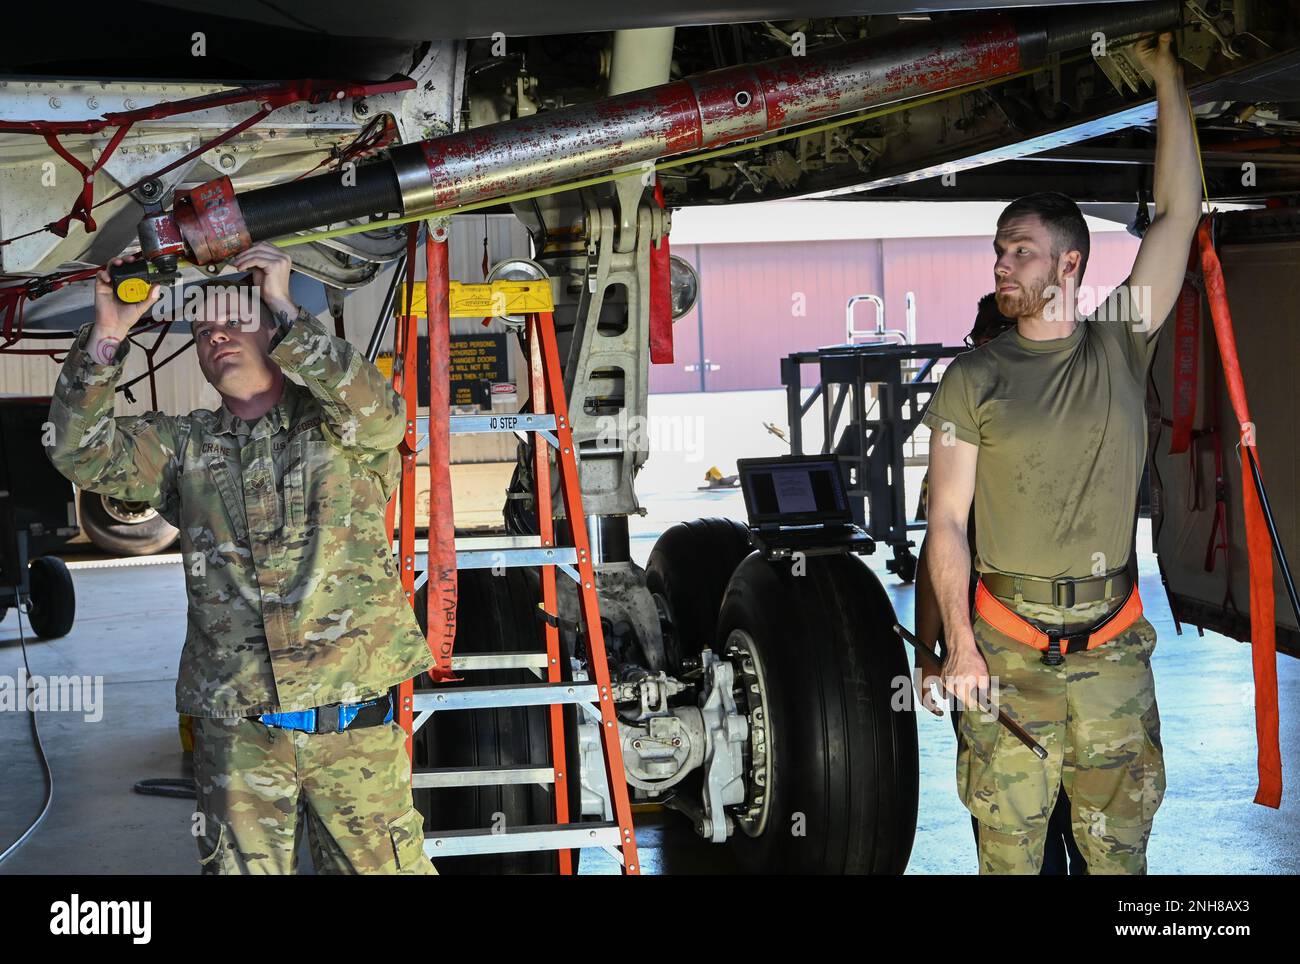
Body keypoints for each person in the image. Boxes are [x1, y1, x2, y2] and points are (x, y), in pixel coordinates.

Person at [45, 242, 437, 874]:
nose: (215, 334)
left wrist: (284, 303)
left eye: (234, 318)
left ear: (274, 332)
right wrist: (107, 336)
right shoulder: (185, 448)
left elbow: (382, 414)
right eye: (201, 332)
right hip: (239, 736)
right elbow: (76, 452)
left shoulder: (342, 429)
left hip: (353, 730)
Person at [919, 32, 1200, 874]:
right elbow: (946, 522)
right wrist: (957, 646)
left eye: (1021, 252)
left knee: (1120, 857)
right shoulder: (974, 377)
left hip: (1111, 644)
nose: (1003, 265)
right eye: (999, 252)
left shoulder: (1120, 341)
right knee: (1010, 857)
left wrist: (1166, 78)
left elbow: (1181, 213)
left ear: (1070, 264)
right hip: (1005, 643)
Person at [914, 292, 1087, 874]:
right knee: (1005, 817)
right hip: (983, 649)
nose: (982, 357)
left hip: (1067, 647)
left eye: (991, 341)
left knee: (1080, 816)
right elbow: (932, 551)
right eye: (978, 343)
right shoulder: (960, 431)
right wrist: (931, 653)